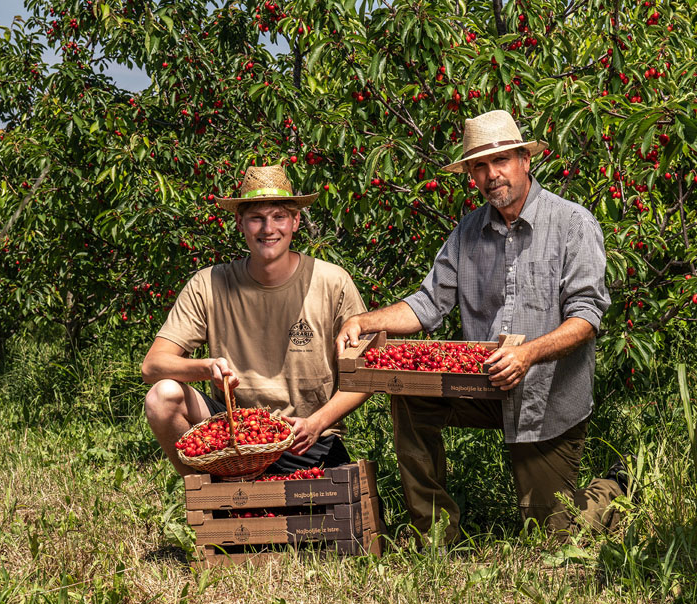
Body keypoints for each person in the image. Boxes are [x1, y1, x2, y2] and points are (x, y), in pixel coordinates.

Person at [337, 110, 623, 542]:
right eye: (480, 166)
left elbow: (585, 318)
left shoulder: (572, 224)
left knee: (555, 536)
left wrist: (527, 354)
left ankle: (613, 488)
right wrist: (366, 319)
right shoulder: (467, 233)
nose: (493, 175)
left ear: (525, 161)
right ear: (471, 174)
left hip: (545, 399)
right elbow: (430, 302)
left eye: (502, 160)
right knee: (409, 397)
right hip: (482, 387)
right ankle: (434, 533)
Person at [142, 164, 369, 477]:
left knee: (342, 520)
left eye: (279, 216)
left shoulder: (333, 282)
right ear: (240, 223)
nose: (268, 228)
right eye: (256, 218)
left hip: (306, 437)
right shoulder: (209, 284)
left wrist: (317, 423)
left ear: (296, 221)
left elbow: (368, 374)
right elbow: (152, 366)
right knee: (162, 397)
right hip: (235, 432)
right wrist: (206, 367)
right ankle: (212, 500)